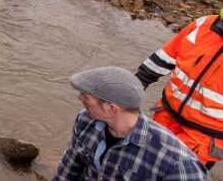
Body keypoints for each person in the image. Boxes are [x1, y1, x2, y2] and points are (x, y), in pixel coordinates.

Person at [53, 66, 206, 181]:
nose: (79, 97)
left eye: (86, 96)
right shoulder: (85, 120)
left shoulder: (179, 165)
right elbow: (68, 170)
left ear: (111, 108)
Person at [136, 9, 223, 168]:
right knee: (141, 165)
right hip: (167, 114)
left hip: (205, 136)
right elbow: (166, 56)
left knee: (177, 173)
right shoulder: (204, 24)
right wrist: (138, 82)